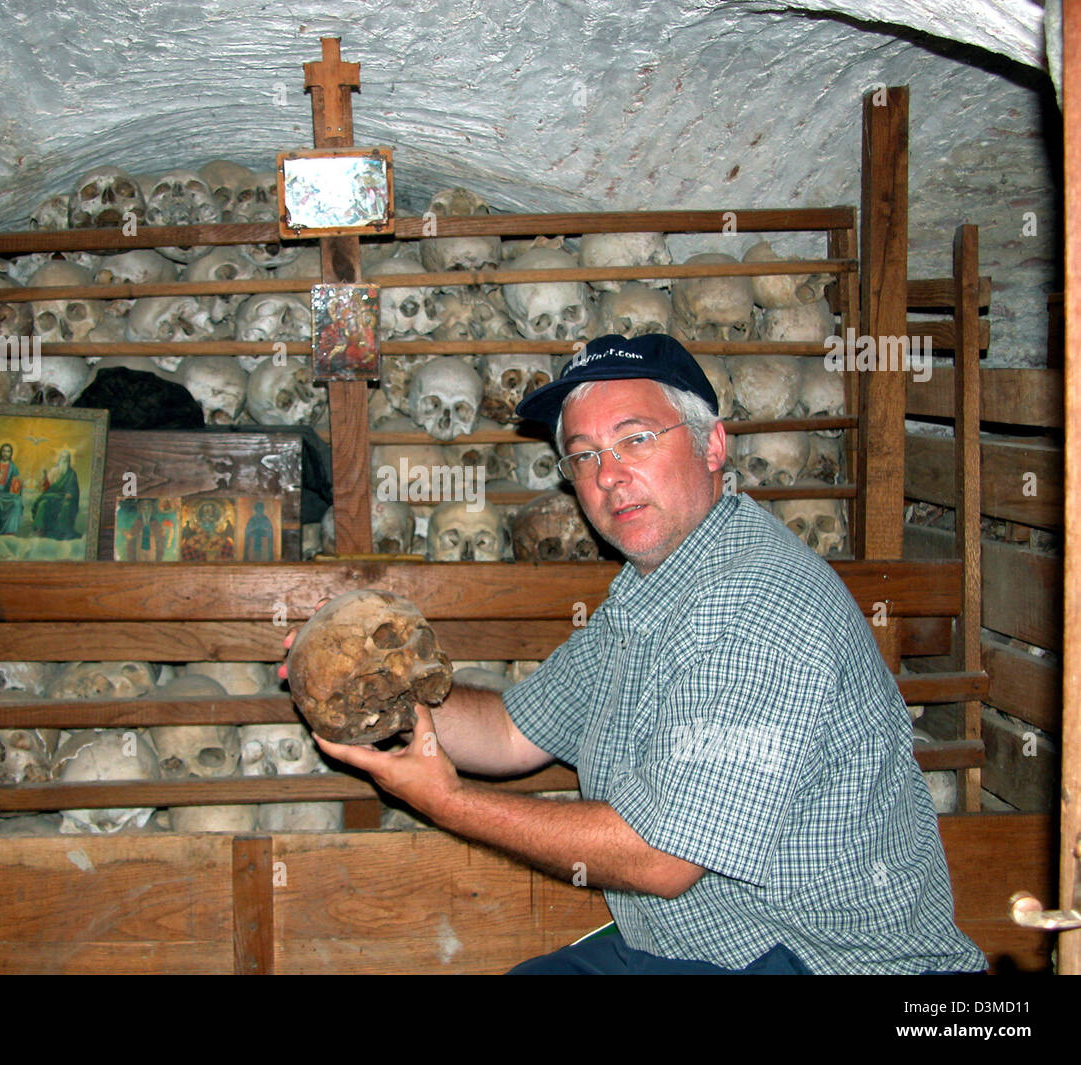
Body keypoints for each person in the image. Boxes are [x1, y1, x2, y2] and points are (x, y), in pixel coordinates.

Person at [298, 332, 987, 975]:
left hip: (819, 959)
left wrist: (446, 800)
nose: (609, 476)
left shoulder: (755, 603)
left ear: (712, 445)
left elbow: (659, 857)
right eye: (585, 454)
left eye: (635, 439)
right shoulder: (650, 591)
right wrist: (382, 686)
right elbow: (511, 732)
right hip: (697, 941)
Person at [31, 449, 80, 540]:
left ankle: (63, 531)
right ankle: (39, 529)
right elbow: (47, 486)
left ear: (69, 460)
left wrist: (70, 493)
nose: (64, 459)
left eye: (66, 458)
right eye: (62, 457)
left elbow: (74, 488)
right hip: (51, 497)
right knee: (43, 503)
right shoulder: (53, 470)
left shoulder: (71, 473)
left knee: (67, 505)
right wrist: (45, 477)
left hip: (63, 497)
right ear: (59, 459)